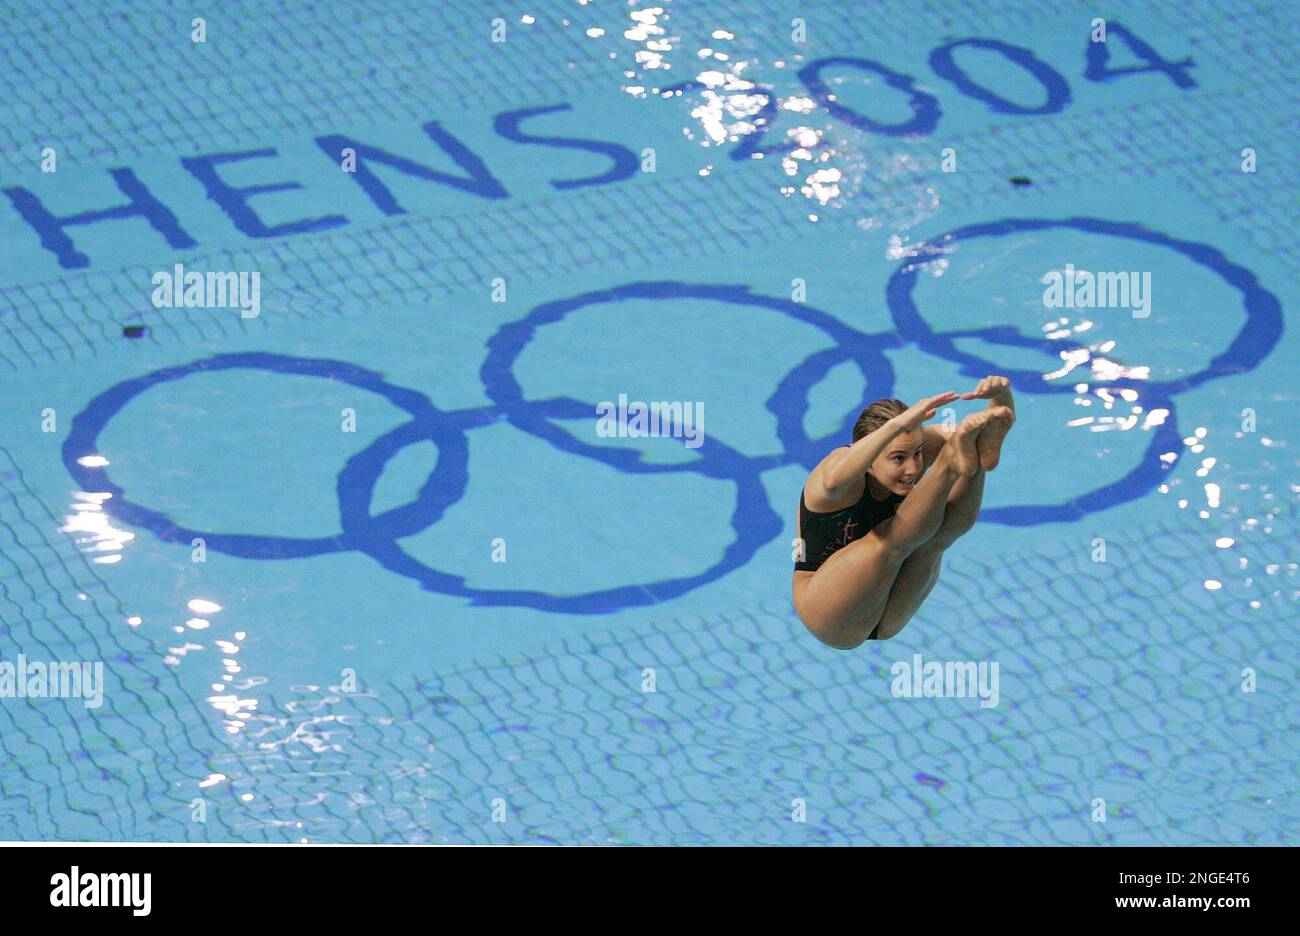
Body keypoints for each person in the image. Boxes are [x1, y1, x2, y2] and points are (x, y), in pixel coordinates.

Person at [791, 376, 1015, 648]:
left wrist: (1001, 397)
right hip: (829, 614)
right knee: (886, 541)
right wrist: (898, 424)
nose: (913, 468)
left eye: (918, 453)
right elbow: (832, 481)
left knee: (938, 538)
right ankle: (949, 466)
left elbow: (993, 422)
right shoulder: (838, 474)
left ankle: (973, 463)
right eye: (899, 458)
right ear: (871, 458)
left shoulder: (911, 444)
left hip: (888, 614)